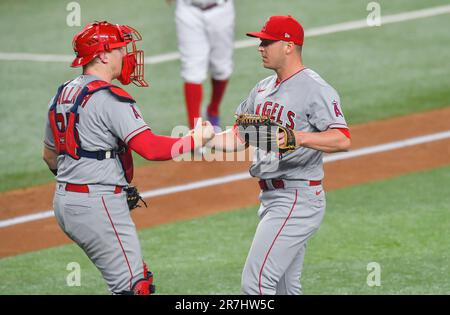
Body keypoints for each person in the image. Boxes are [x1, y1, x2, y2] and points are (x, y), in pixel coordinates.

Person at [42, 21, 213, 295]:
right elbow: (150, 148)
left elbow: (49, 155)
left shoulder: (62, 93)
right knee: (135, 288)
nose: (127, 54)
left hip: (65, 202)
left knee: (132, 276)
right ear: (103, 55)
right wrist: (194, 140)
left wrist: (86, 180)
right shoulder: (109, 98)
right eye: (121, 48)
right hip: (96, 204)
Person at [206, 15, 351, 295]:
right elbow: (239, 137)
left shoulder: (315, 88)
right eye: (260, 42)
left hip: (298, 198)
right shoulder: (261, 89)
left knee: (256, 284)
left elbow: (342, 138)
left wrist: (300, 137)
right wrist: (205, 139)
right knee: (285, 288)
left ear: (288, 45)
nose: (260, 47)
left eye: (266, 42)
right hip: (272, 198)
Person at [167, 0, 235, 131]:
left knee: (222, 69)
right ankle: (195, 131)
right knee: (192, 71)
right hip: (188, 10)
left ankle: (213, 110)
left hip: (222, 10)